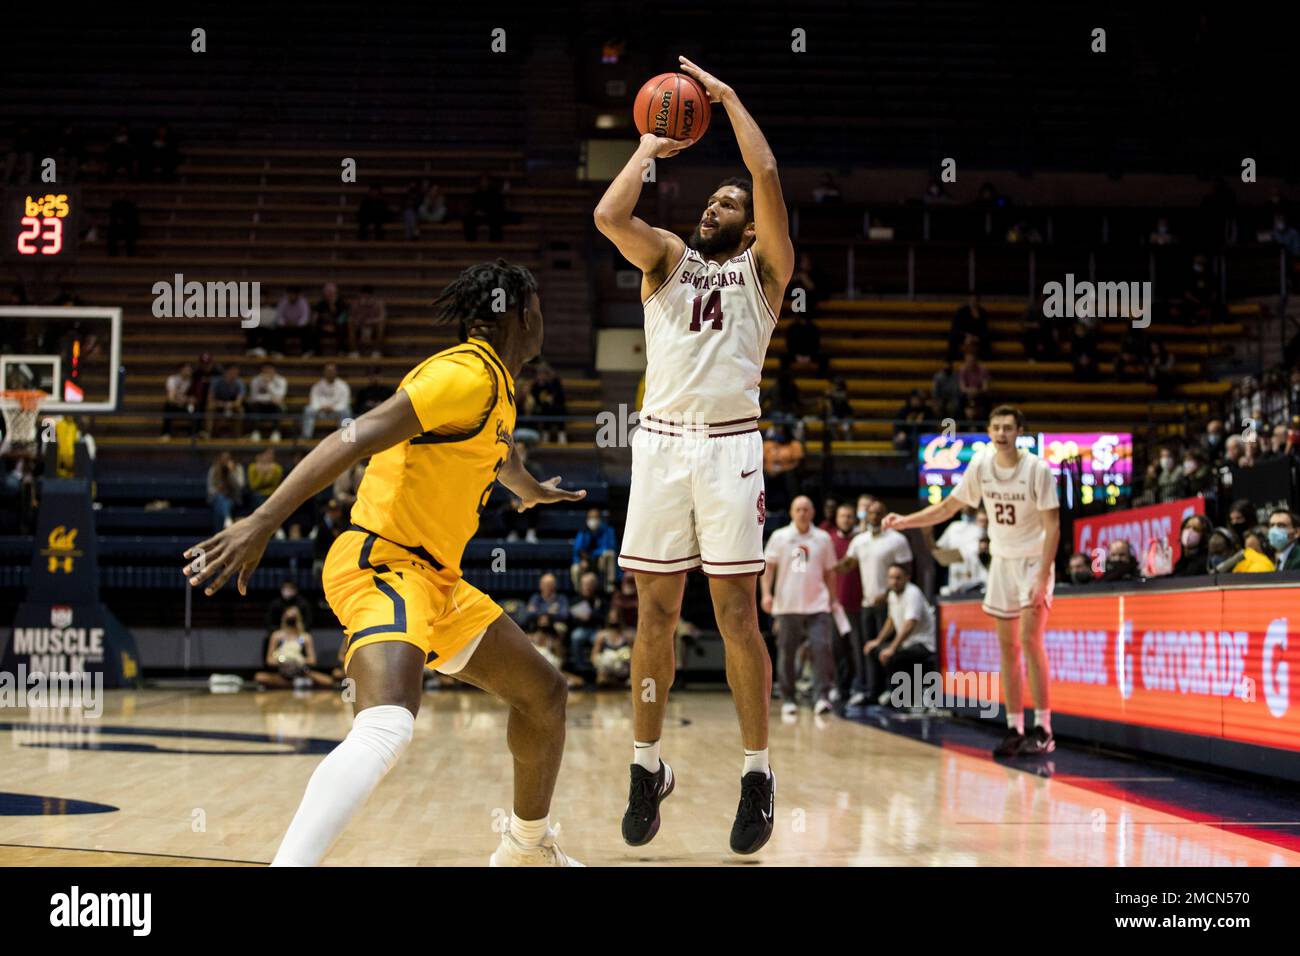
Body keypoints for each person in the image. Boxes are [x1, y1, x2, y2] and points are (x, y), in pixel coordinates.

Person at [183, 260, 587, 866]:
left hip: (437, 582)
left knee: (544, 693)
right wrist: (263, 519)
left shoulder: (497, 389)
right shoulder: (464, 374)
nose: (543, 323)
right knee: (387, 725)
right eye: (539, 310)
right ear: (521, 314)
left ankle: (526, 849)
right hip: (384, 564)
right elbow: (354, 436)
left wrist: (528, 489)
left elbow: (497, 454)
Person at [594, 56, 793, 855]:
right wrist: (646, 150)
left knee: (736, 615)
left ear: (747, 225)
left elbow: (766, 167)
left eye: (730, 202)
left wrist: (731, 97)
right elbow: (610, 217)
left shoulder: (766, 272)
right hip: (661, 447)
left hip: (732, 451)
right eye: (712, 197)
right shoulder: (666, 258)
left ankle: (757, 774)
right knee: (655, 612)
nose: (718, 204)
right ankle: (647, 766)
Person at [882, 405, 1060, 757]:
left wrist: (1042, 575)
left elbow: (1053, 526)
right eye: (995, 427)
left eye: (1008, 427)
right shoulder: (981, 465)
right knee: (1007, 648)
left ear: (1019, 431)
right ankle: (1014, 727)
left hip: (1032, 561)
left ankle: (1044, 727)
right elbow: (948, 506)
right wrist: (907, 521)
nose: (1001, 433)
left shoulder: (1037, 469)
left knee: (1030, 641)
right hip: (1002, 562)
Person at [760, 496, 840, 716]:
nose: (802, 513)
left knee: (821, 649)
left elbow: (830, 572)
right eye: (798, 509)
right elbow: (768, 569)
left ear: (813, 512)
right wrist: (766, 595)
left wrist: (833, 599)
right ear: (792, 512)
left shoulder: (822, 538)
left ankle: (822, 697)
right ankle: (788, 698)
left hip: (817, 605)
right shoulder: (780, 536)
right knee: (787, 652)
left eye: (806, 509)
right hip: (787, 605)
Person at [831, 498, 913, 708]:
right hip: (867, 602)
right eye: (871, 513)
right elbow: (847, 564)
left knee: (889, 647)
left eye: (879, 513)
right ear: (866, 516)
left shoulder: (897, 540)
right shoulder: (859, 540)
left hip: (891, 602)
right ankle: (871, 690)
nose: (874, 516)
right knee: (869, 648)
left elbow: (907, 570)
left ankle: (892, 690)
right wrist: (824, 567)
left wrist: (887, 593)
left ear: (885, 515)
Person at [863, 563, 937, 708]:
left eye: (898, 578)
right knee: (873, 650)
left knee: (894, 656)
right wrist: (878, 641)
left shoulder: (913, 593)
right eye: (891, 578)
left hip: (925, 643)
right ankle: (879, 692)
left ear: (907, 578)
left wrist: (892, 647)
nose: (894, 582)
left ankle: (905, 697)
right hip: (908, 643)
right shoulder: (892, 594)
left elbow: (910, 624)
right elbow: (891, 620)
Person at [826, 502, 866, 704]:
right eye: (843, 516)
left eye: (850, 516)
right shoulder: (829, 540)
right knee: (837, 649)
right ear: (837, 519)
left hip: (859, 603)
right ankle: (840, 688)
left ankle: (859, 687)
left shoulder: (861, 540)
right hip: (836, 605)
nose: (846, 519)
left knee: (858, 649)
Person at [255, 607, 334, 689]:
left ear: (298, 619)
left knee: (328, 681)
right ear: (283, 618)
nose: (291, 619)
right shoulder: (277, 636)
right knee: (259, 677)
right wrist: (283, 661)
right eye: (288, 617)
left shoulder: (305, 637)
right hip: (283, 673)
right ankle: (298, 684)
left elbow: (312, 660)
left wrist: (298, 660)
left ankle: (294, 683)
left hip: (301, 672)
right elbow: (269, 660)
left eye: (293, 617)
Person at [926, 505, 988, 596]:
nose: (967, 506)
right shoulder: (954, 527)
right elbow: (938, 549)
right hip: (956, 585)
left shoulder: (983, 528)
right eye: (964, 503)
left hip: (979, 585)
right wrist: (928, 534)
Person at [568, 571, 609, 667]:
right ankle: (580, 666)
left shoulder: (601, 599)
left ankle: (599, 666)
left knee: (602, 638)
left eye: (589, 584)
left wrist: (590, 616)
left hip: (597, 629)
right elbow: (573, 619)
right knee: (576, 636)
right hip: (582, 629)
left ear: (594, 586)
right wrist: (591, 616)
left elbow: (605, 617)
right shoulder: (576, 600)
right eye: (584, 584)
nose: (586, 587)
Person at [301, 364, 352, 439]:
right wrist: (322, 407)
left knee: (347, 411)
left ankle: (346, 438)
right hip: (321, 412)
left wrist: (333, 408)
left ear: (336, 372)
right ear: (324, 372)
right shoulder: (317, 386)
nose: (330, 372)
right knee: (308, 410)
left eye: (332, 371)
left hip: (336, 412)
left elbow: (345, 402)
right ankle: (306, 436)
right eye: (328, 371)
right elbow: (314, 400)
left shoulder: (343, 386)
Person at [571, 508, 617, 591]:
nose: (593, 520)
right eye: (591, 518)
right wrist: (579, 561)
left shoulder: (608, 530)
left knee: (610, 554)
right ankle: (580, 593)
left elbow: (610, 547)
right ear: (587, 520)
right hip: (587, 562)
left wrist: (592, 555)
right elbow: (577, 551)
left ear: (600, 519)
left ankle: (609, 585)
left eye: (595, 518)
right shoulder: (583, 532)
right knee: (575, 569)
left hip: (600, 561)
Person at [591, 608, 635, 687]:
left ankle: (620, 681)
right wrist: (600, 664)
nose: (614, 619)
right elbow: (594, 656)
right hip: (607, 667)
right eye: (611, 617)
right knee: (601, 679)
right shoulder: (601, 635)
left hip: (622, 667)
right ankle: (612, 681)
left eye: (616, 617)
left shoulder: (628, 635)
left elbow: (634, 655)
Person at [246, 362, 288, 442]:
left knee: (278, 407)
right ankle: (255, 432)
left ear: (274, 371)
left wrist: (269, 384)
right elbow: (253, 397)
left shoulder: (281, 380)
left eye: (269, 371)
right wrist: (270, 398)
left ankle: (276, 432)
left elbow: (279, 399)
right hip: (260, 406)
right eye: (265, 371)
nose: (267, 373)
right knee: (253, 406)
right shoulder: (256, 380)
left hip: (274, 406)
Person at [206, 451, 245, 532]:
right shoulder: (214, 469)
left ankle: (218, 534)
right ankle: (227, 518)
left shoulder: (238, 468)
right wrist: (219, 490)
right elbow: (210, 489)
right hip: (217, 497)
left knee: (220, 507)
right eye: (223, 459)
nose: (225, 461)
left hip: (233, 497)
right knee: (221, 499)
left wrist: (231, 472)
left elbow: (240, 486)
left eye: (227, 459)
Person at [529, 363, 567, 443]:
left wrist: (551, 398)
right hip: (542, 408)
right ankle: (545, 434)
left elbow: (559, 397)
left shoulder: (553, 384)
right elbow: (534, 398)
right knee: (545, 410)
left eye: (544, 374)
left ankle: (561, 435)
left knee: (559, 410)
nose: (542, 376)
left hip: (554, 408)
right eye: (540, 374)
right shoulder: (536, 385)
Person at [947, 293, 990, 362]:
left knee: (986, 339)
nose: (973, 302)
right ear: (969, 300)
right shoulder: (961, 312)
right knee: (953, 337)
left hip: (977, 337)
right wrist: (966, 336)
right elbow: (956, 328)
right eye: (972, 300)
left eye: (975, 300)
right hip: (963, 336)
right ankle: (950, 361)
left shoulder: (982, 313)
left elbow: (985, 329)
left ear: (978, 301)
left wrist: (977, 338)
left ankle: (986, 360)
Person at [206, 364, 246, 438]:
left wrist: (230, 405)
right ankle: (208, 433)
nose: (234, 375)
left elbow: (238, 402)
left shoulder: (240, 383)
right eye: (231, 373)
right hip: (218, 404)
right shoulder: (216, 381)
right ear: (225, 372)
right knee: (209, 407)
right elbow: (210, 400)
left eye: (236, 373)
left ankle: (238, 435)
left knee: (241, 410)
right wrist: (223, 404)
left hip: (232, 405)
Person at [464, 174, 506, 242]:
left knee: (497, 220)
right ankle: (471, 241)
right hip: (480, 216)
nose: (484, 183)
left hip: (492, 215)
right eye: (482, 181)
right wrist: (477, 211)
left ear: (489, 182)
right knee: (468, 219)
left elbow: (498, 207)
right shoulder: (477, 193)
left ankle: (495, 241)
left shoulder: (495, 193)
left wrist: (487, 212)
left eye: (486, 181)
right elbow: (473, 206)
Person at [313, 283, 350, 356]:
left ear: (335, 294)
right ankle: (316, 352)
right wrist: (323, 326)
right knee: (313, 329)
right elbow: (315, 318)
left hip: (337, 328)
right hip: (324, 328)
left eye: (332, 293)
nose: (330, 295)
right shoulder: (321, 304)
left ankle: (341, 351)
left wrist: (334, 326)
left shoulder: (342, 304)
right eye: (328, 293)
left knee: (343, 327)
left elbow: (344, 318)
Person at [351, 286, 387, 357]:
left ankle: (377, 351)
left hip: (373, 327)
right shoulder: (355, 303)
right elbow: (351, 317)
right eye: (364, 296)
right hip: (359, 327)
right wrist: (359, 320)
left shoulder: (379, 303)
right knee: (350, 324)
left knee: (381, 325)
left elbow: (382, 318)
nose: (366, 299)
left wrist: (370, 321)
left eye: (368, 297)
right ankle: (353, 351)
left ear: (372, 296)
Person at [161, 361, 194, 439]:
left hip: (186, 405)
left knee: (194, 409)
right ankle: (166, 433)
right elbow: (170, 397)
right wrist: (179, 401)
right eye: (186, 370)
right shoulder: (172, 379)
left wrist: (185, 401)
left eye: (189, 370)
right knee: (168, 406)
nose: (189, 372)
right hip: (175, 404)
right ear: (181, 370)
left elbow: (193, 398)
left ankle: (192, 433)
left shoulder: (192, 382)